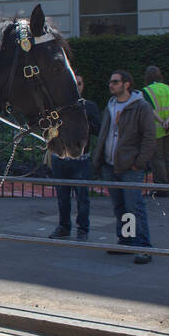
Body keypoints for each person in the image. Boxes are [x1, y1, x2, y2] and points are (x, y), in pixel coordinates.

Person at [90, 70, 155, 264]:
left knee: (134, 206)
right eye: (111, 81)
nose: (111, 85)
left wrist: (139, 163)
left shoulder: (141, 107)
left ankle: (143, 246)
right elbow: (104, 134)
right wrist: (99, 160)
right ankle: (126, 241)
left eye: (115, 82)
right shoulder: (110, 105)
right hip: (110, 165)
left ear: (127, 84)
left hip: (129, 166)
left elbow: (149, 138)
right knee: (120, 207)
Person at [48, 73, 102, 240]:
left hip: (81, 159)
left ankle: (82, 229)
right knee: (62, 196)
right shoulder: (58, 107)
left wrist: (83, 122)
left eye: (79, 83)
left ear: (82, 86)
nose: (76, 86)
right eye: (74, 83)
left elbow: (98, 129)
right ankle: (64, 227)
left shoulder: (89, 107)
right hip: (61, 158)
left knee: (82, 197)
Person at [141, 65, 169, 184]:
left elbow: (150, 110)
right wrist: (168, 121)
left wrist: (162, 122)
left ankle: (162, 186)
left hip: (156, 130)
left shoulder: (147, 91)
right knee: (168, 158)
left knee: (157, 158)